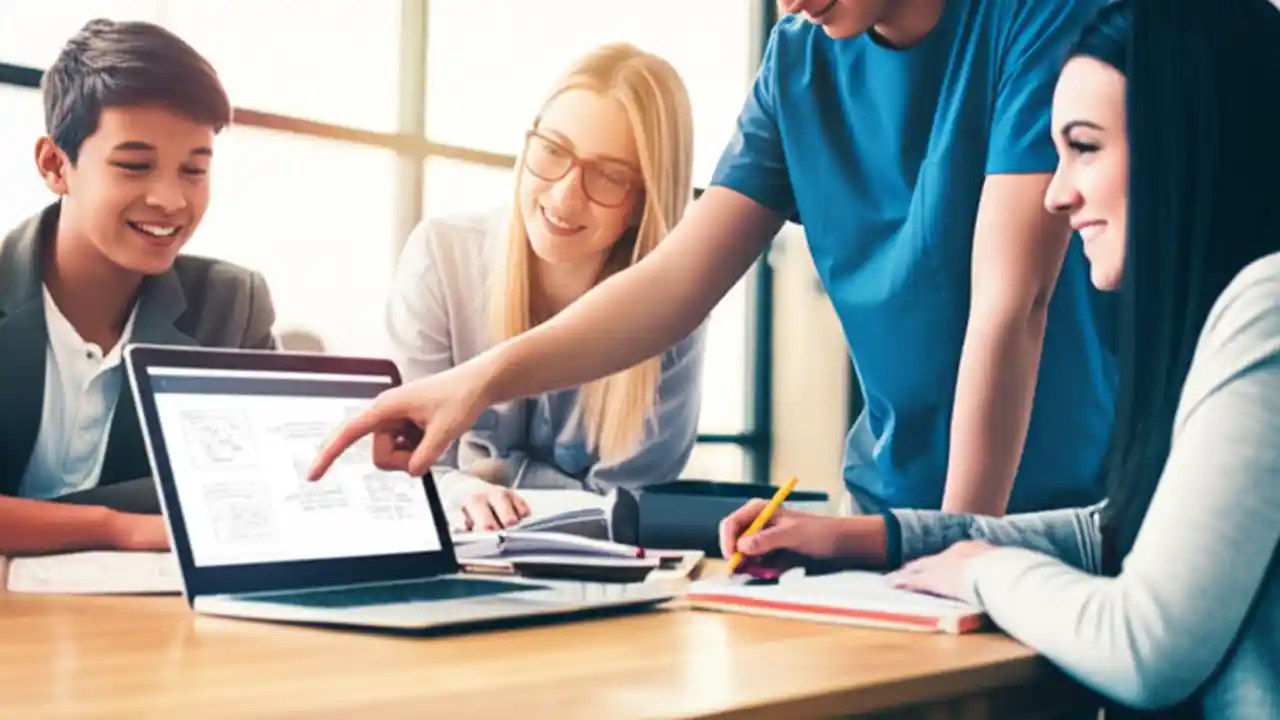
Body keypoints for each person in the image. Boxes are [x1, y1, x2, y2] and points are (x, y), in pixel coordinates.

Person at [313, 0, 1115, 518]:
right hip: (891, 508)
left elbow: (1012, 304)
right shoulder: (797, 61)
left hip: (1056, 510)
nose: (791, 3)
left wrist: (951, 546)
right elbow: (671, 284)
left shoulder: (1037, 17)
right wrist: (475, 379)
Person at [717, 1, 1280, 715]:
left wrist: (983, 570)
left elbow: (1147, 648)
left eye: (1085, 146)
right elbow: (1108, 531)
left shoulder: (1268, 314)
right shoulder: (1217, 329)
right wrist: (870, 538)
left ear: (1187, 142)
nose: (1056, 190)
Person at [384, 44, 703, 531]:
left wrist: (497, 474)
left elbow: (628, 507)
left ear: (645, 201)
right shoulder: (441, 258)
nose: (563, 195)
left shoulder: (674, 306)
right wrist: (459, 487)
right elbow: (410, 464)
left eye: (609, 176)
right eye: (552, 151)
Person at [0, 19, 278, 555]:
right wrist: (116, 526)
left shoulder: (230, 306)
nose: (171, 201)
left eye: (193, 171)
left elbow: (253, 490)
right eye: (134, 166)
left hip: (152, 620)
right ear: (56, 165)